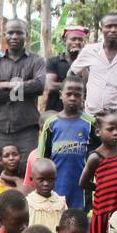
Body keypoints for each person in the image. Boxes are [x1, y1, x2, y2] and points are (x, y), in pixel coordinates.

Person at [0, 18, 46, 171]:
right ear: (4, 35)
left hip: (27, 130)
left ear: (26, 35)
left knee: (28, 173)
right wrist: (24, 88)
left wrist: (6, 85)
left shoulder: (36, 61)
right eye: (11, 33)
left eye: (19, 32)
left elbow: (39, 86)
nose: (15, 37)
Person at [69, 12, 117, 116]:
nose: (113, 30)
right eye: (108, 26)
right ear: (102, 28)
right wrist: (78, 96)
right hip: (91, 115)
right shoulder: (89, 51)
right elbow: (72, 73)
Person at [38, 75, 92, 208]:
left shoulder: (91, 123)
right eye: (69, 94)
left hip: (81, 189)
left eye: (77, 94)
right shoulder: (51, 124)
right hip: (56, 186)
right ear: (61, 95)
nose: (73, 98)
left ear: (83, 97)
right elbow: (42, 159)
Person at [43, 25, 88, 115]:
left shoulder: (87, 63)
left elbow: (87, 85)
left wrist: (81, 59)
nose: (77, 42)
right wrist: (78, 88)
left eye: (80, 40)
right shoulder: (53, 61)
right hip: (55, 112)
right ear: (64, 40)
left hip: (81, 113)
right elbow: (50, 86)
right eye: (73, 39)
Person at [26, 158, 67, 233]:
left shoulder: (61, 202)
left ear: (55, 179)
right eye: (41, 180)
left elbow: (67, 225)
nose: (46, 184)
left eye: (51, 180)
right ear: (31, 179)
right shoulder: (28, 203)